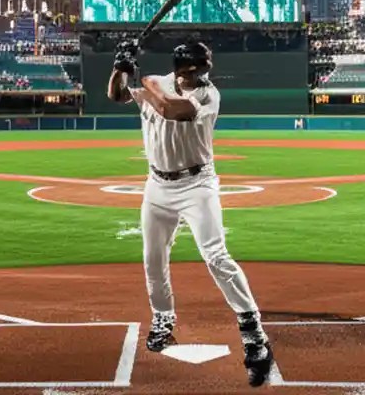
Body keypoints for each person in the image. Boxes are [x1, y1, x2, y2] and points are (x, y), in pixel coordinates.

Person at [108, 39, 275, 387]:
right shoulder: (158, 83)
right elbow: (116, 95)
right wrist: (119, 67)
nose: (205, 73)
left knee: (216, 255)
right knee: (153, 259)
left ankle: (253, 333)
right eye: (199, 68)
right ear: (185, 69)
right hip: (157, 186)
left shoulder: (207, 96)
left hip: (197, 185)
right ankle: (163, 320)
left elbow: (171, 109)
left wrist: (138, 74)